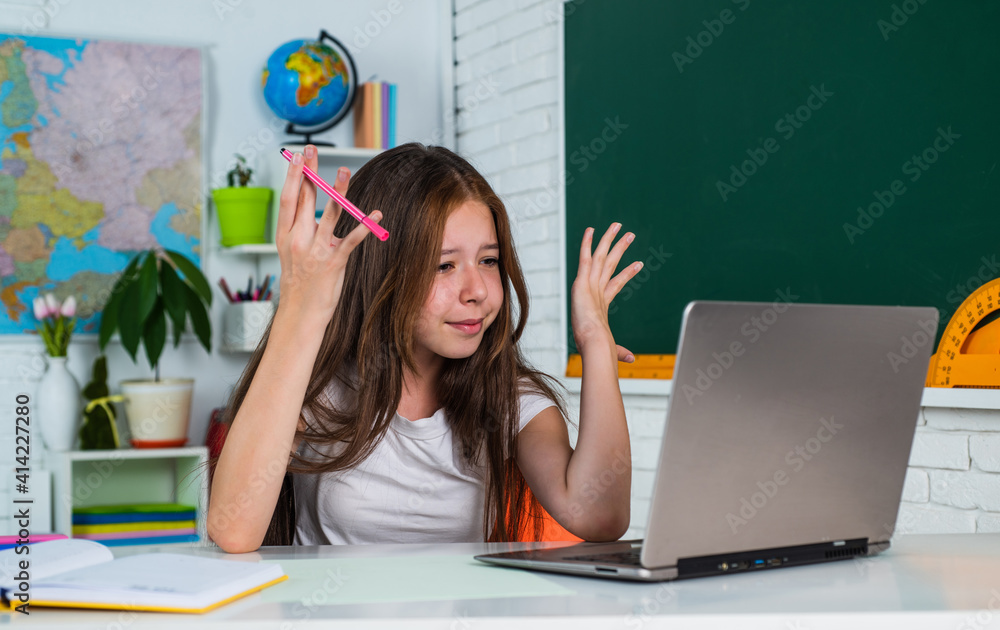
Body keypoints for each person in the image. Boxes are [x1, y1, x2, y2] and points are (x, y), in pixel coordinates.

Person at [208, 143, 642, 552]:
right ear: (381, 272)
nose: (476, 291)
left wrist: (595, 344)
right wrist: (300, 310)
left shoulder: (508, 398)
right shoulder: (318, 387)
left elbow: (600, 518)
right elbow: (233, 529)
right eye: (444, 265)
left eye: (488, 260)